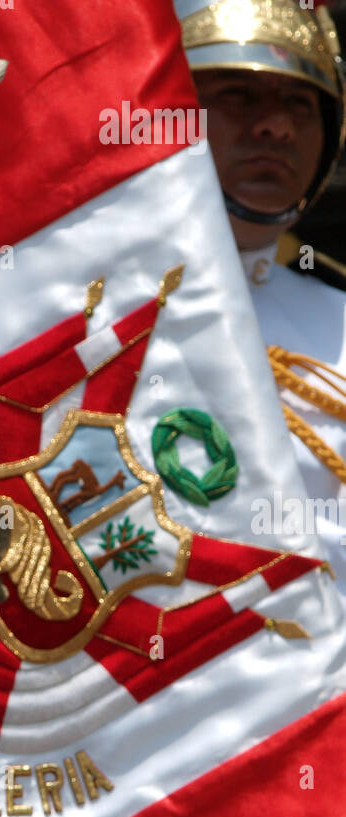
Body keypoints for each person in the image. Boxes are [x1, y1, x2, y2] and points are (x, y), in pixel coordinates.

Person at [181, 0, 346, 580]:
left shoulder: (339, 318)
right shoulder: (80, 308)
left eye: (300, 104)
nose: (277, 126)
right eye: (238, 95)